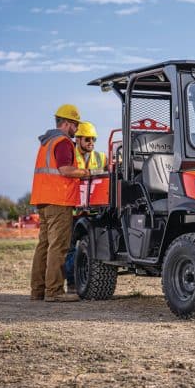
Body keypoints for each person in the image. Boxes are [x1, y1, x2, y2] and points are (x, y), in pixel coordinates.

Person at [29, 104, 94, 303]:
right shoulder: (64, 142)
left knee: (44, 246)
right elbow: (65, 170)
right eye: (75, 124)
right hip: (59, 200)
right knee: (58, 246)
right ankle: (54, 291)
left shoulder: (46, 142)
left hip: (43, 199)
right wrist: (85, 173)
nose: (76, 129)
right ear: (66, 123)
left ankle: (38, 291)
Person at [65, 121, 108, 292]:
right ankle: (71, 284)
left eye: (94, 139)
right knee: (69, 249)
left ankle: (80, 281)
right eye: (88, 139)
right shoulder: (71, 155)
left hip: (92, 209)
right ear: (78, 139)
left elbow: (112, 167)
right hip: (72, 207)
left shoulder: (100, 157)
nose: (91, 142)